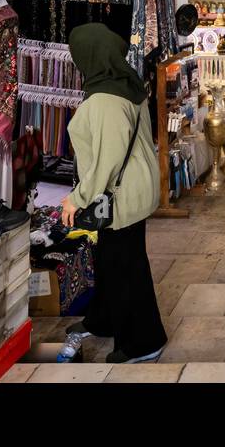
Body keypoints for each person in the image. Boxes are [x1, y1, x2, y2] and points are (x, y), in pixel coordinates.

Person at [59, 23, 166, 364]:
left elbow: (107, 160)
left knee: (127, 267)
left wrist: (77, 197)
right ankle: (104, 317)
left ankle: (145, 341)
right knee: (108, 258)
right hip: (135, 186)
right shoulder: (122, 82)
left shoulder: (105, 99)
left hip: (122, 194)